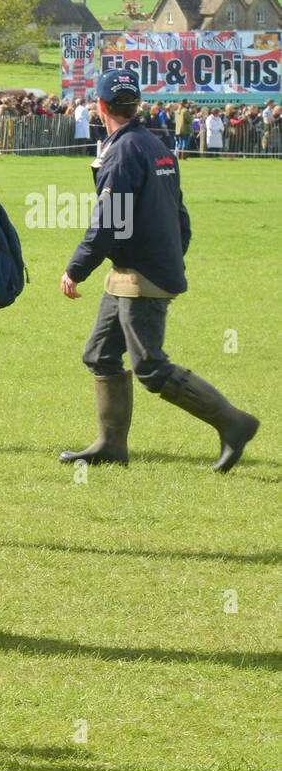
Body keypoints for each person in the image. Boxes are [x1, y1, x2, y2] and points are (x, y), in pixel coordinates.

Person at [59, 68, 258, 473]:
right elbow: (178, 210)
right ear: (137, 105)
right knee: (99, 354)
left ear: (100, 107)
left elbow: (110, 220)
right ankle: (110, 445)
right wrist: (174, 253)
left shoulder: (122, 152)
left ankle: (234, 423)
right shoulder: (155, 144)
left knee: (149, 365)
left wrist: (76, 269)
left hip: (141, 273)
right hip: (136, 268)